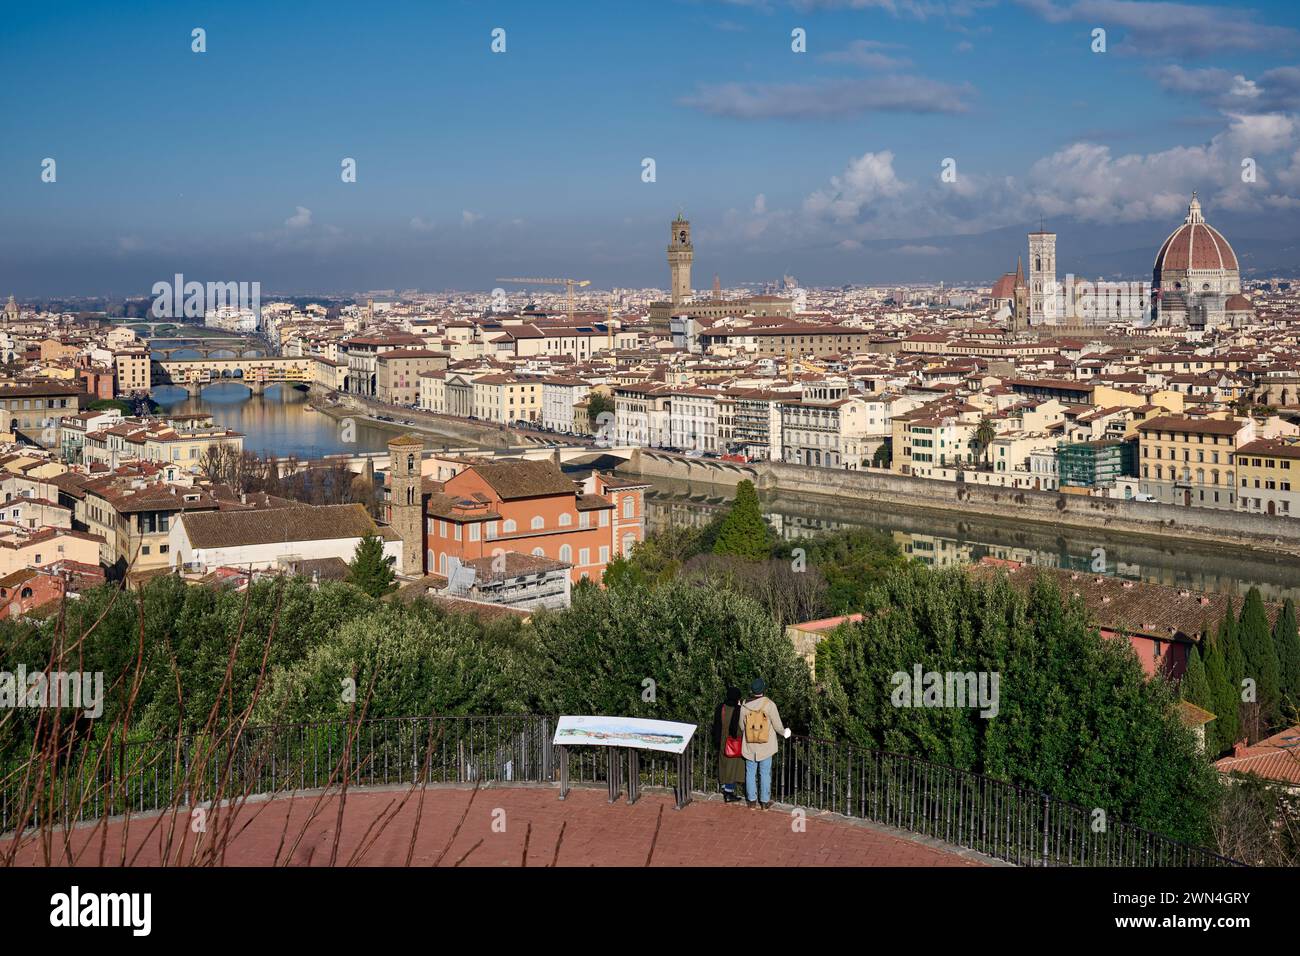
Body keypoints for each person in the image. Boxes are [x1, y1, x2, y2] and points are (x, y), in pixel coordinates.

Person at [738, 677, 791, 810]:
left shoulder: (744, 705)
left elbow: (741, 726)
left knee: (750, 772)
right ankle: (764, 802)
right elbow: (778, 725)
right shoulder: (769, 704)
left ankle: (751, 801)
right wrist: (785, 732)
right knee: (765, 773)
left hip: (750, 744)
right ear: (763, 689)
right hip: (766, 745)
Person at [711, 687, 746, 803]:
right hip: (733, 742)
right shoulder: (738, 709)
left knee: (723, 765)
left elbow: (716, 724)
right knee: (732, 768)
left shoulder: (721, 707)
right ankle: (729, 793)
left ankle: (724, 788)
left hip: (721, 740)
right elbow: (739, 729)